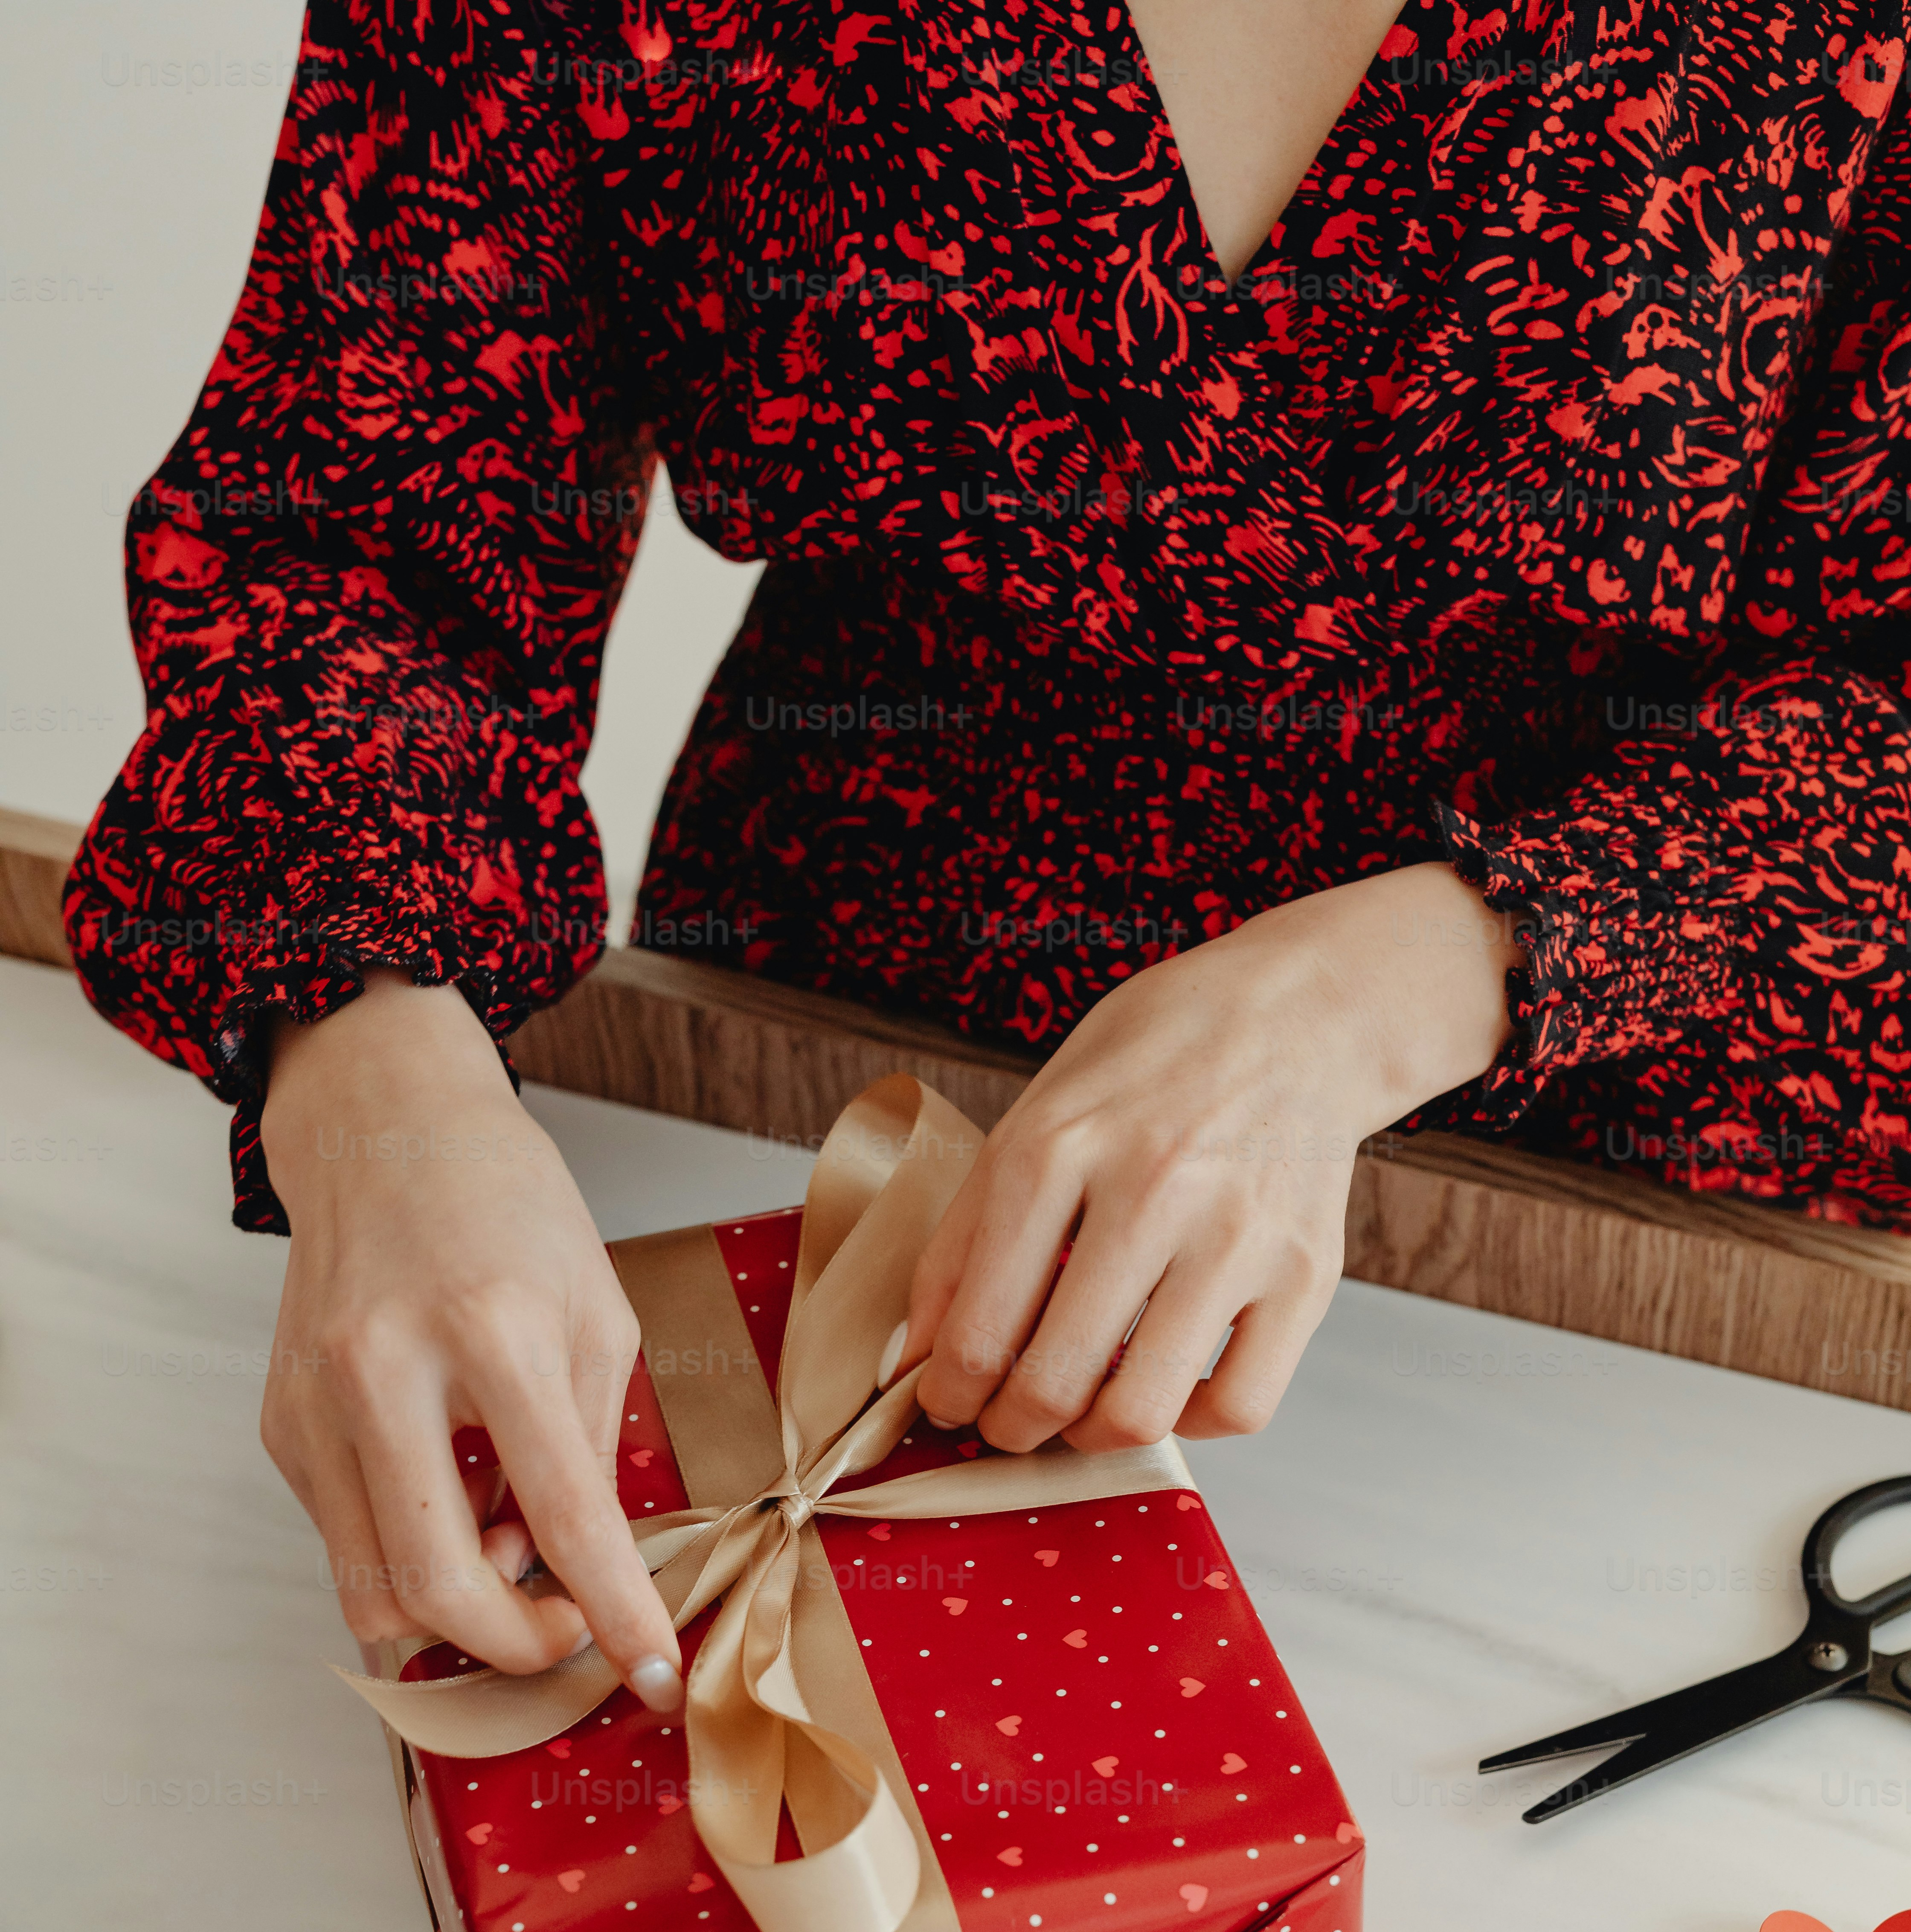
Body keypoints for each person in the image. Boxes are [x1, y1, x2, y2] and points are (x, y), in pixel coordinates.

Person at [64, 2, 1911, 1712]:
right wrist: (372, 1077)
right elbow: (347, 515)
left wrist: (1385, 986)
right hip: (834, 1101)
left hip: (1662, 1223)